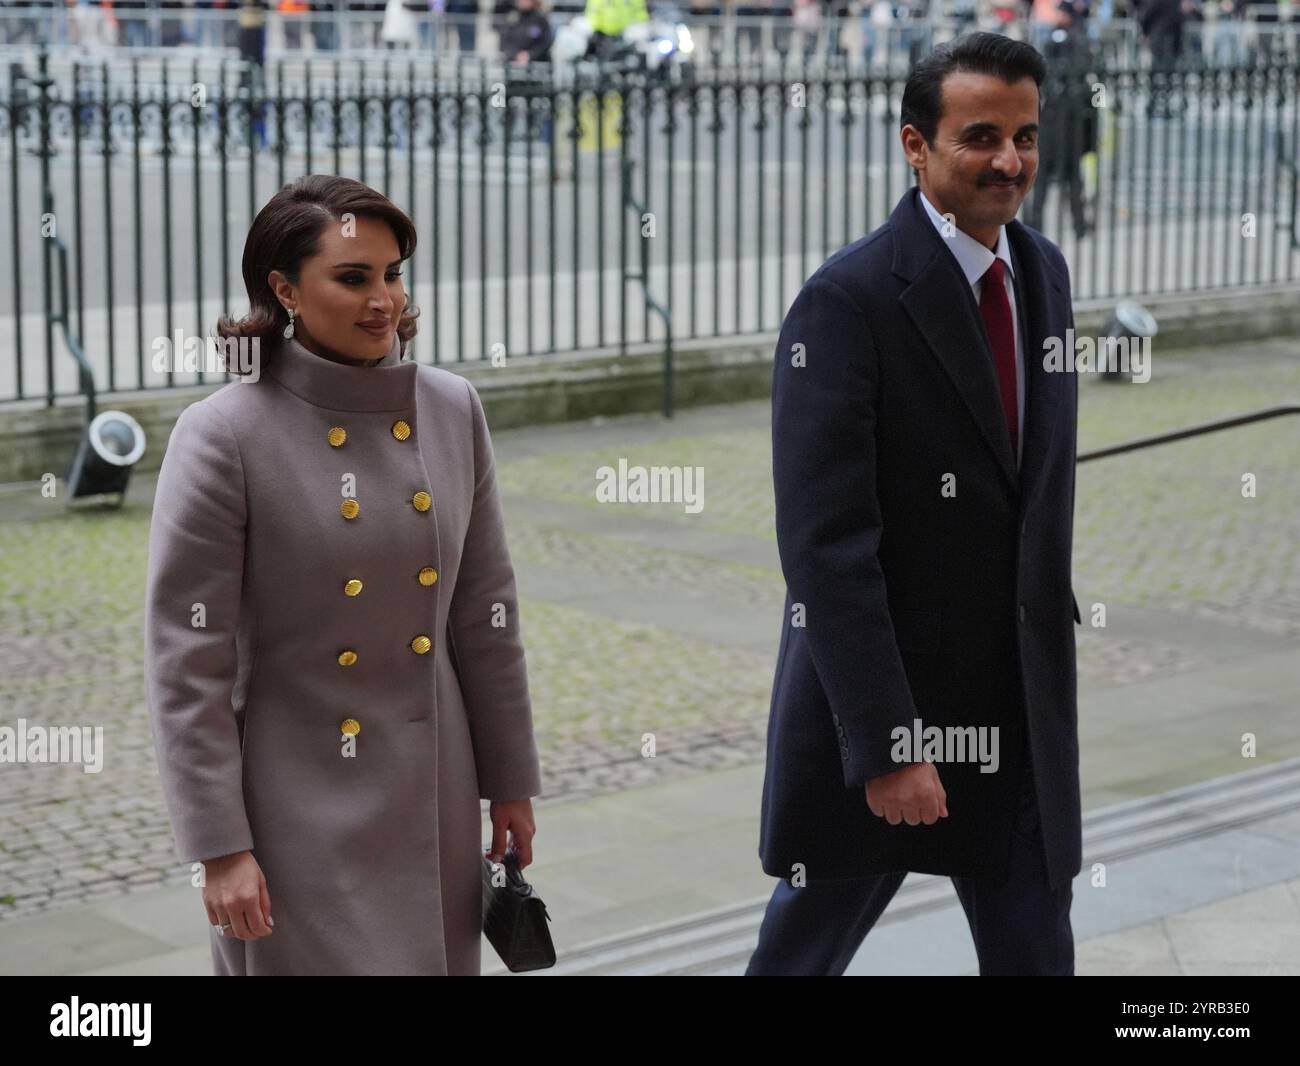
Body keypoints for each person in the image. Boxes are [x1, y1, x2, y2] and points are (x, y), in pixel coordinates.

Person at [145, 174, 543, 975]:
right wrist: (220, 848)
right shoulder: (223, 435)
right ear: (285, 289)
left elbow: (485, 615)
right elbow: (189, 663)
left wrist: (509, 783)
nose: (383, 301)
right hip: (295, 806)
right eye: (353, 278)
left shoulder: (451, 407)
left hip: (433, 789)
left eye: (393, 274)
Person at [749, 32, 1082, 976]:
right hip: (889, 705)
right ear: (915, 145)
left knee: (1035, 948)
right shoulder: (846, 302)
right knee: (803, 954)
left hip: (1017, 705)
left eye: (1024, 136)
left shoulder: (1045, 272)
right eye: (980, 136)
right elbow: (826, 545)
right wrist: (891, 742)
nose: (1008, 161)